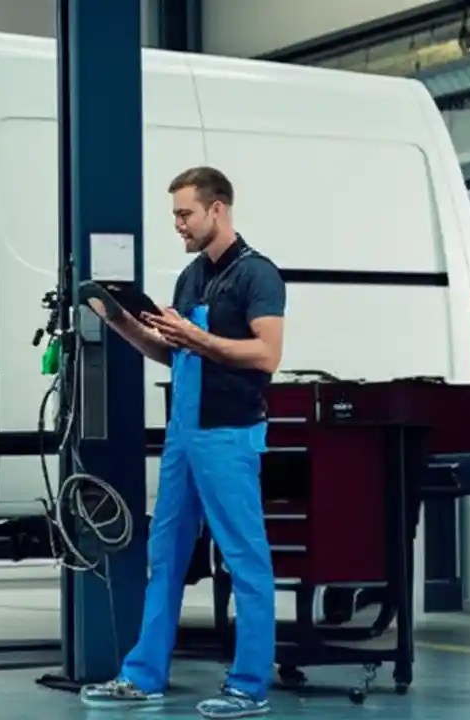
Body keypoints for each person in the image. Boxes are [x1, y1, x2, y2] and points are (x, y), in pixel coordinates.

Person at [80, 166, 285, 719]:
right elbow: (174, 354)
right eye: (175, 215)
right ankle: (142, 676)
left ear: (217, 209)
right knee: (165, 556)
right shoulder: (191, 278)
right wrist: (122, 322)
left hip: (228, 434)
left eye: (185, 214)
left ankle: (249, 687)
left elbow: (267, 354)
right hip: (183, 436)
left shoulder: (257, 275)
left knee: (245, 560)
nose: (178, 224)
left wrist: (198, 336)